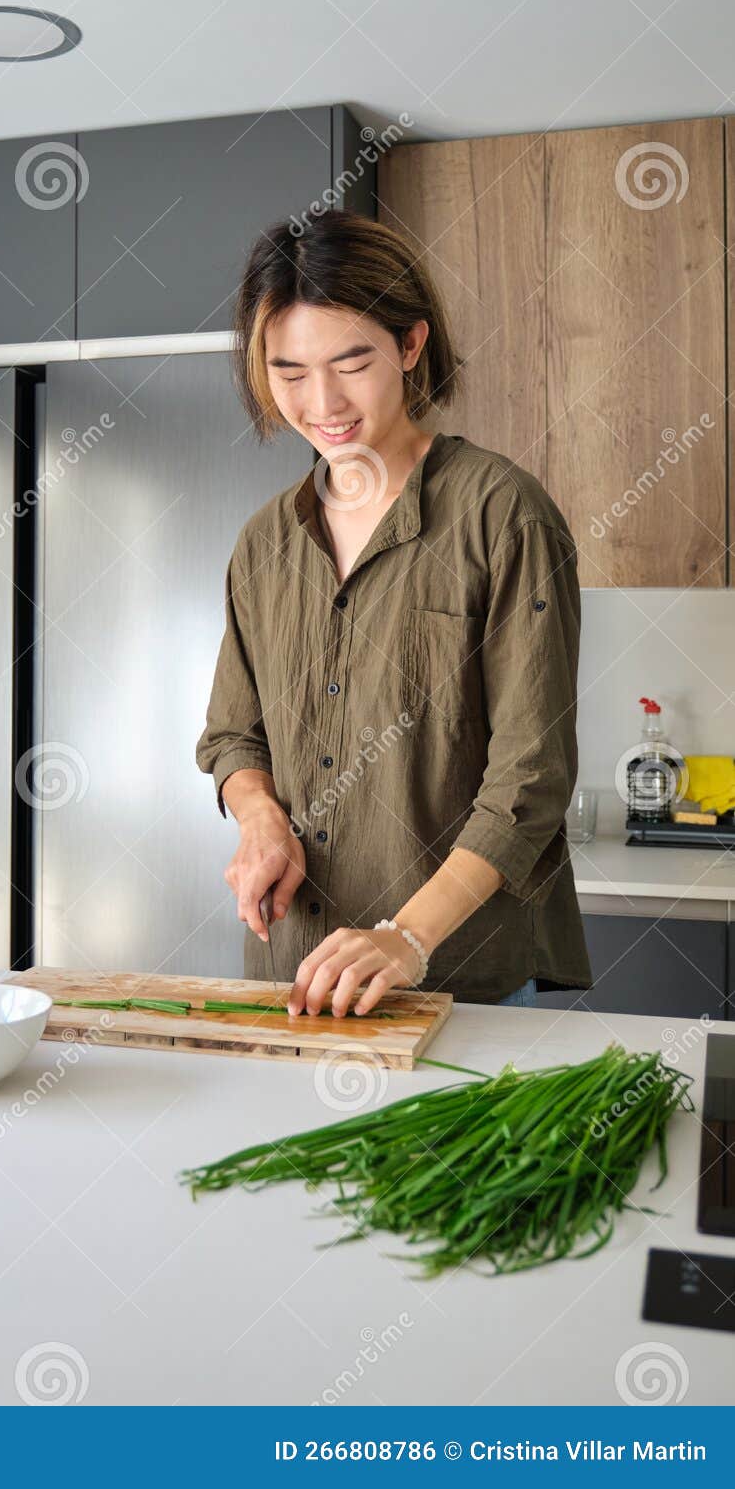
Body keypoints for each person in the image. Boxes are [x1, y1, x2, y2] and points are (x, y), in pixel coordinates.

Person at [195, 210, 591, 1015]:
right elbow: (233, 737)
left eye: (351, 363)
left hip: (456, 979)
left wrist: (405, 937)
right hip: (291, 970)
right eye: (290, 371)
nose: (323, 402)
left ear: (410, 347)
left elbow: (529, 782)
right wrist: (260, 817)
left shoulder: (503, 515)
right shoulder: (264, 540)